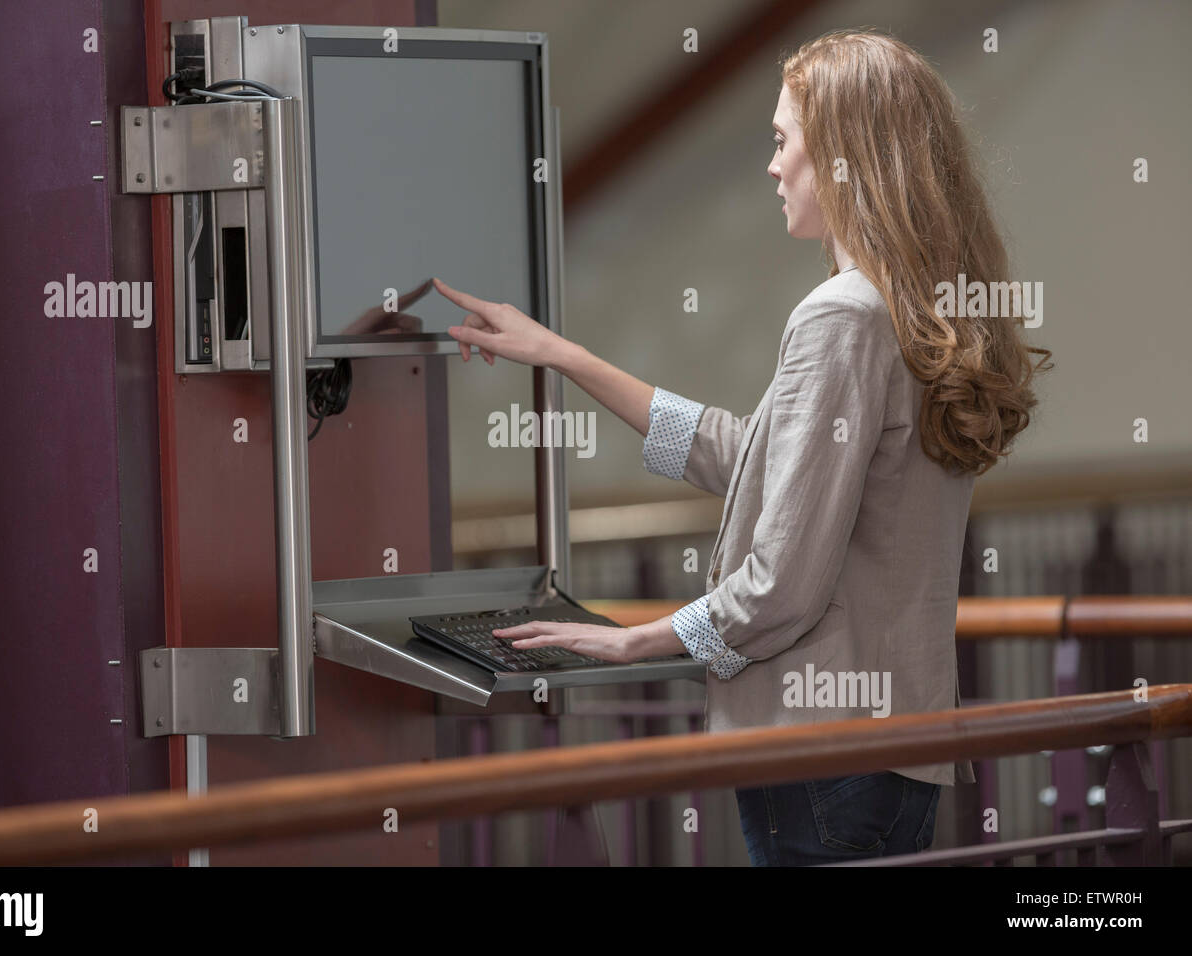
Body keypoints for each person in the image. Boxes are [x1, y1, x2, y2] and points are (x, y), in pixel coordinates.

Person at [429, 28, 1051, 866]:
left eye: (783, 140)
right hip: (896, 749)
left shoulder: (840, 316)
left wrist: (639, 639)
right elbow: (754, 458)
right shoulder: (905, 309)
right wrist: (562, 355)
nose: (772, 165)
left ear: (841, 160)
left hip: (819, 749)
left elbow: (781, 588)